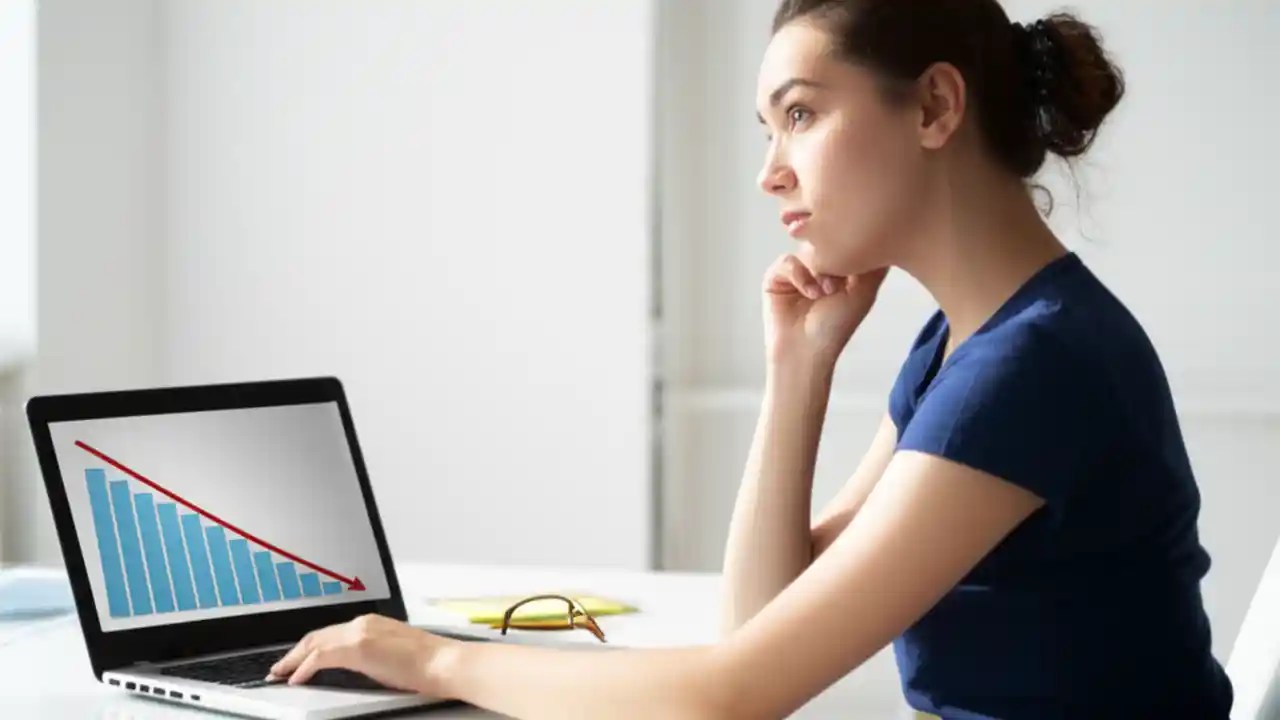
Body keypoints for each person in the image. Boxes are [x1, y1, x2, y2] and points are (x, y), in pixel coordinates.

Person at [268, 1, 1235, 717]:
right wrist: (799, 368)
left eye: (801, 115)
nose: (770, 169)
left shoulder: (1034, 368)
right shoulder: (966, 347)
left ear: (936, 105)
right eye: (769, 130)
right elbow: (759, 623)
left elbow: (735, 691)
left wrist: (432, 661)